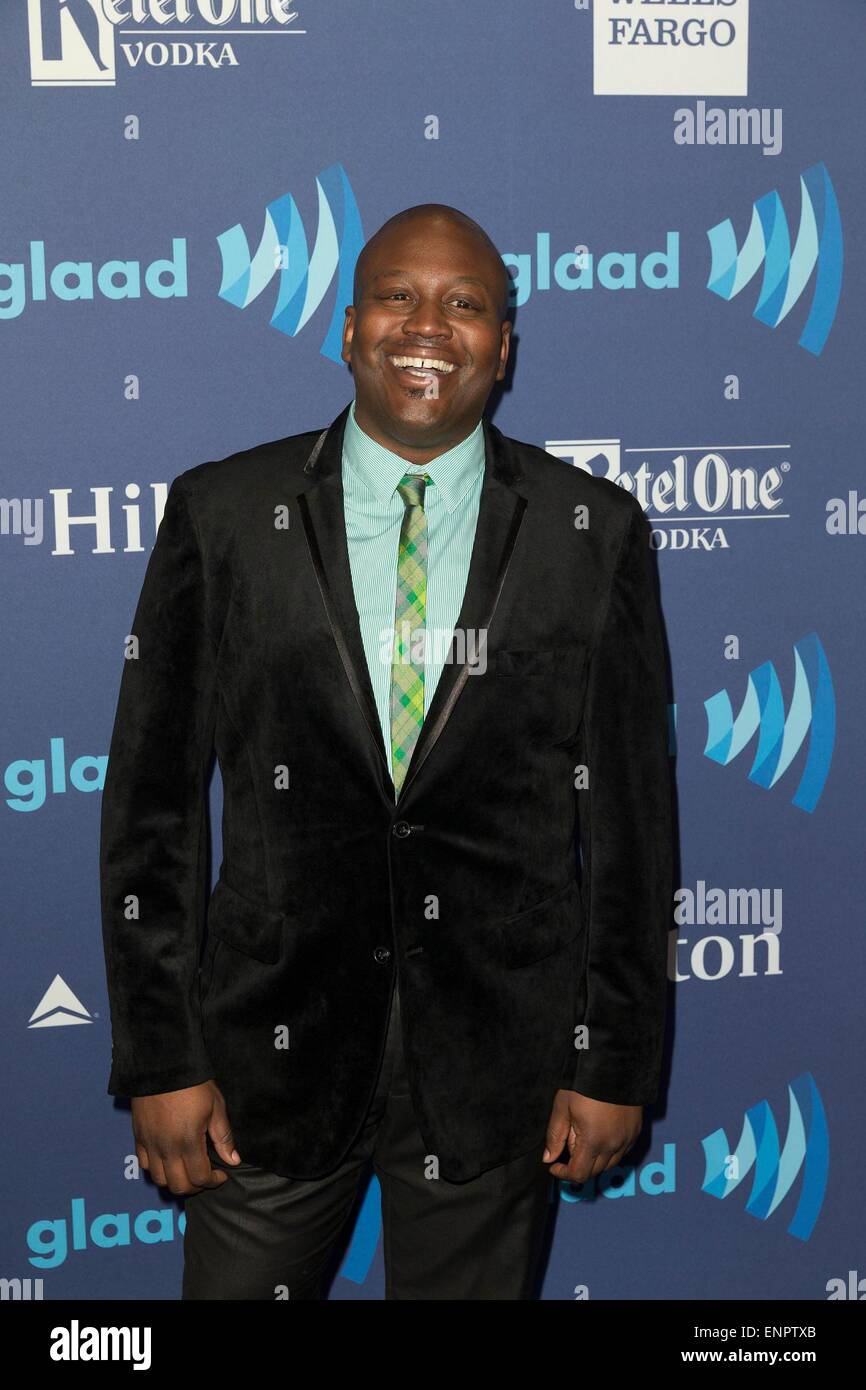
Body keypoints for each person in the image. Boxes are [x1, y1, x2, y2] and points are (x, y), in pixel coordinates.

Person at [99, 203, 674, 1300]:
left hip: (496, 1064)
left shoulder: (588, 530)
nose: (429, 325)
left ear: (503, 346)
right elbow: (150, 807)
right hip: (266, 1058)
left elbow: (630, 831)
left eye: (465, 304)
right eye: (398, 296)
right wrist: (161, 1056)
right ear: (350, 327)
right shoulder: (224, 513)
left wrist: (612, 1060)